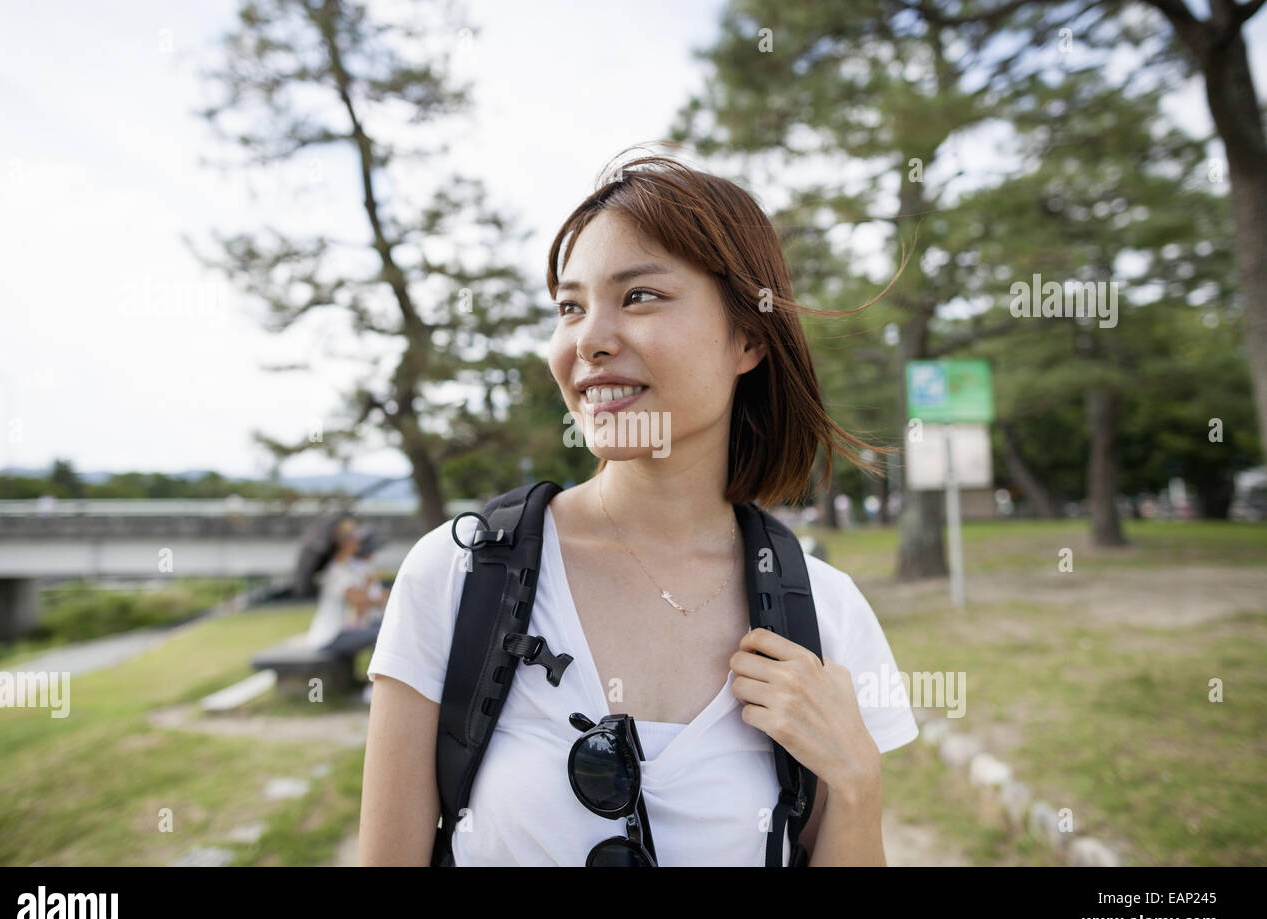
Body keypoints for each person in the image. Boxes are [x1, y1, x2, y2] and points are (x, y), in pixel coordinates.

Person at [359, 149, 920, 866]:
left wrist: (856, 779)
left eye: (640, 296)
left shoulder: (826, 614)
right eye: (570, 307)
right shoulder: (458, 574)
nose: (589, 341)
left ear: (748, 336)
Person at [306, 517, 387, 654]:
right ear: (345, 543)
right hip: (330, 636)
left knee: (381, 628)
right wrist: (375, 591)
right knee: (382, 632)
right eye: (355, 536)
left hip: (342, 631)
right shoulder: (336, 570)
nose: (359, 540)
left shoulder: (346, 567)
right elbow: (358, 602)